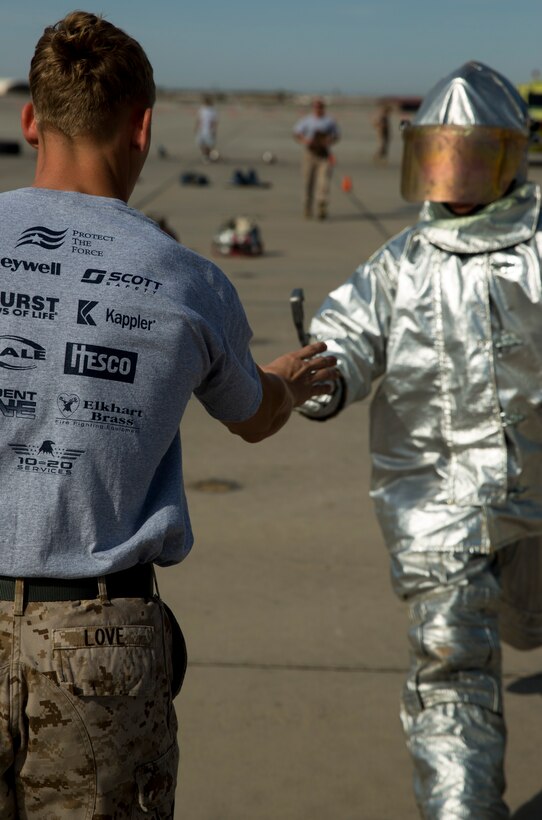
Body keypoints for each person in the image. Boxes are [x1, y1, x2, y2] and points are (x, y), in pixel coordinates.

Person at [0, 11, 338, 818]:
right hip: (95, 643)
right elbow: (254, 416)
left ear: (28, 119)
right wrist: (287, 382)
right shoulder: (186, 281)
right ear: (143, 126)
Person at [299, 61, 542, 818]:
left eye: (472, 157)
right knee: (451, 681)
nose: (456, 177)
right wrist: (321, 375)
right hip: (439, 519)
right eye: (442, 156)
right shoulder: (401, 266)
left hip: (536, 508)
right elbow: (347, 333)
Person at [293, 97, 340, 220]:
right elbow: (296, 133)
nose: (318, 109)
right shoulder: (307, 120)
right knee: (308, 181)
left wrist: (330, 140)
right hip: (310, 154)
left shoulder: (329, 121)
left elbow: (336, 135)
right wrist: (305, 140)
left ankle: (322, 206)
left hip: (323, 155)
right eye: (316, 107)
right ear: (313, 108)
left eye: (320, 107)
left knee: (323, 182)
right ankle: (307, 207)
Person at [194, 95, 218, 161]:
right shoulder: (202, 109)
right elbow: (199, 119)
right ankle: (204, 155)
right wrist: (196, 127)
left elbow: (214, 121)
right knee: (200, 143)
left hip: (209, 130)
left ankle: (207, 156)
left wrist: (214, 130)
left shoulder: (213, 110)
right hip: (201, 130)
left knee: (208, 144)